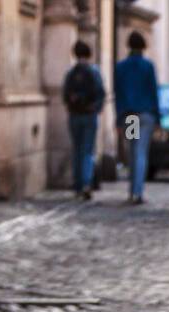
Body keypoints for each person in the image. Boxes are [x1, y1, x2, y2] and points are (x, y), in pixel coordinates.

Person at [115, 32, 160, 205]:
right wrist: (158, 118)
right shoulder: (148, 66)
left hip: (130, 115)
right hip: (146, 114)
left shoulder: (121, 67)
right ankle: (138, 192)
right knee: (141, 152)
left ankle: (132, 190)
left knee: (132, 153)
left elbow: (118, 94)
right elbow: (153, 92)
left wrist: (119, 119)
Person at [63, 40, 105, 200]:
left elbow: (65, 95)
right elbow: (101, 92)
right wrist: (96, 108)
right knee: (87, 150)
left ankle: (77, 184)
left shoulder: (71, 73)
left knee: (77, 149)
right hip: (90, 115)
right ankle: (87, 183)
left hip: (75, 115)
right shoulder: (94, 71)